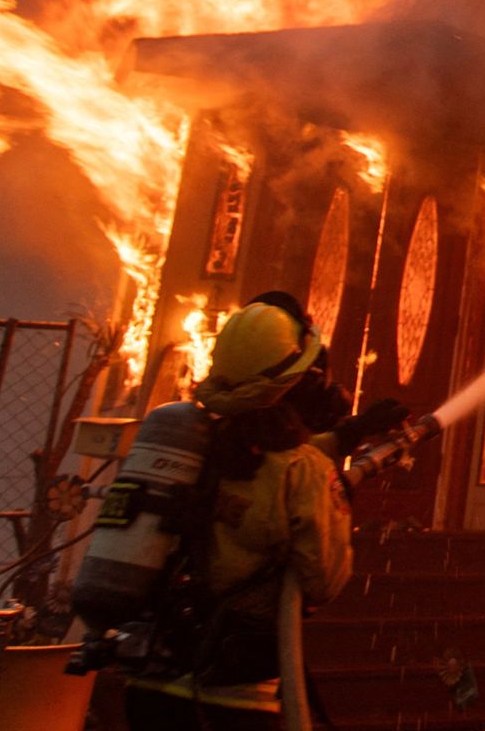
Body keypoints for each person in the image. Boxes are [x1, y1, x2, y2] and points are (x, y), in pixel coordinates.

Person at [121, 291, 353, 731]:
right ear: (298, 382)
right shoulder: (303, 473)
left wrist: (348, 437)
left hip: (149, 685)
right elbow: (323, 580)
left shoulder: (191, 443)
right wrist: (334, 496)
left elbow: (256, 464)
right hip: (233, 700)